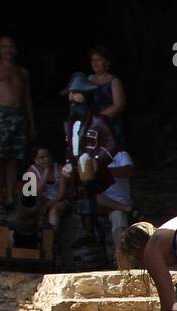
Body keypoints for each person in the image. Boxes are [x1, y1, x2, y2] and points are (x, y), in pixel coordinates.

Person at [60, 72, 117, 249]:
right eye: (70, 94)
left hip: (92, 168)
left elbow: (111, 144)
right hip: (77, 167)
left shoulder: (99, 121)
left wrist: (96, 160)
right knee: (80, 200)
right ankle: (88, 232)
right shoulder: (69, 123)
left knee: (89, 199)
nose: (71, 98)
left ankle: (94, 234)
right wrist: (69, 162)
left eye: (75, 93)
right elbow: (70, 146)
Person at [0, 35, 34, 212]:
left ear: (15, 49)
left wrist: (31, 124)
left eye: (11, 46)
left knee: (14, 159)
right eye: (4, 46)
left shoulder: (22, 72)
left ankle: (10, 197)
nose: (7, 50)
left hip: (18, 116)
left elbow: (27, 100)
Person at [97, 137, 135, 247]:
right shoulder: (92, 158)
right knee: (95, 196)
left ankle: (120, 254)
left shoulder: (121, 155)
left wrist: (104, 171)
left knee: (118, 216)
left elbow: (129, 170)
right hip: (100, 202)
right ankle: (127, 209)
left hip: (119, 200)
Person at [87, 45, 127, 148]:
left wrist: (98, 119)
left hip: (110, 125)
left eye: (98, 60)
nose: (95, 63)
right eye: (92, 60)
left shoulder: (114, 81)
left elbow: (118, 106)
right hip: (89, 126)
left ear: (107, 62)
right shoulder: (87, 80)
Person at [26, 145, 69, 230]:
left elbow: (61, 193)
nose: (46, 159)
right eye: (42, 157)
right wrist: (46, 171)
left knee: (54, 210)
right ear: (35, 160)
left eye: (48, 156)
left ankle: (51, 237)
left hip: (59, 201)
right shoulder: (31, 171)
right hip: (41, 200)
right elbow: (35, 192)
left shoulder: (60, 168)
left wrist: (47, 206)